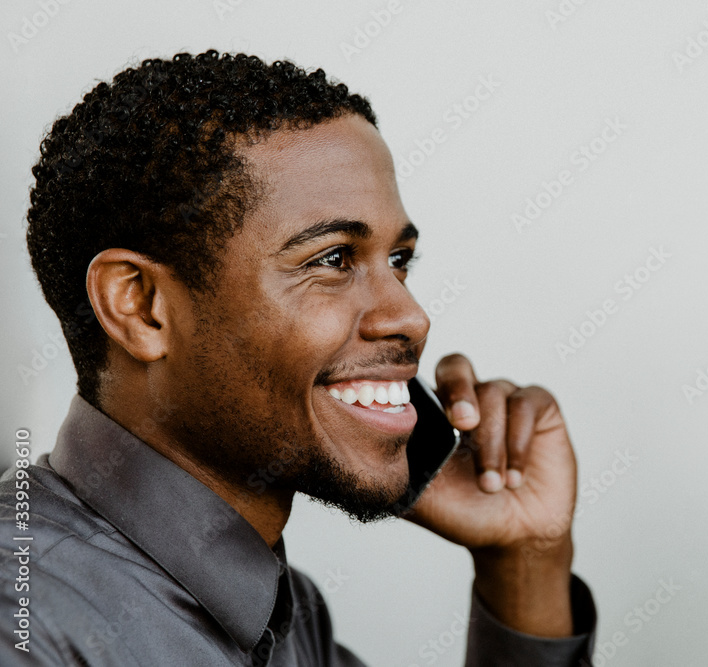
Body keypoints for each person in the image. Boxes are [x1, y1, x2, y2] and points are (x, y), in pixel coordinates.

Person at [0, 50, 596, 665]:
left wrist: (524, 561)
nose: (411, 318)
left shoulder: (286, 613)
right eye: (332, 259)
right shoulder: (24, 624)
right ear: (142, 306)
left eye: (398, 261)